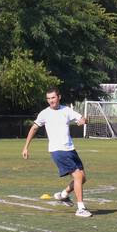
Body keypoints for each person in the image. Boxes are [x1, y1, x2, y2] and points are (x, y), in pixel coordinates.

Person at [22, 88, 91, 217]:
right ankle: (81, 208)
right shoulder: (44, 113)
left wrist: (84, 120)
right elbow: (34, 128)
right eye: (48, 99)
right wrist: (26, 147)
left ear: (59, 97)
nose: (50, 101)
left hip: (70, 149)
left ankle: (63, 195)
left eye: (53, 98)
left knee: (83, 178)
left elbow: (82, 119)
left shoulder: (66, 110)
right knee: (77, 176)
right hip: (58, 150)